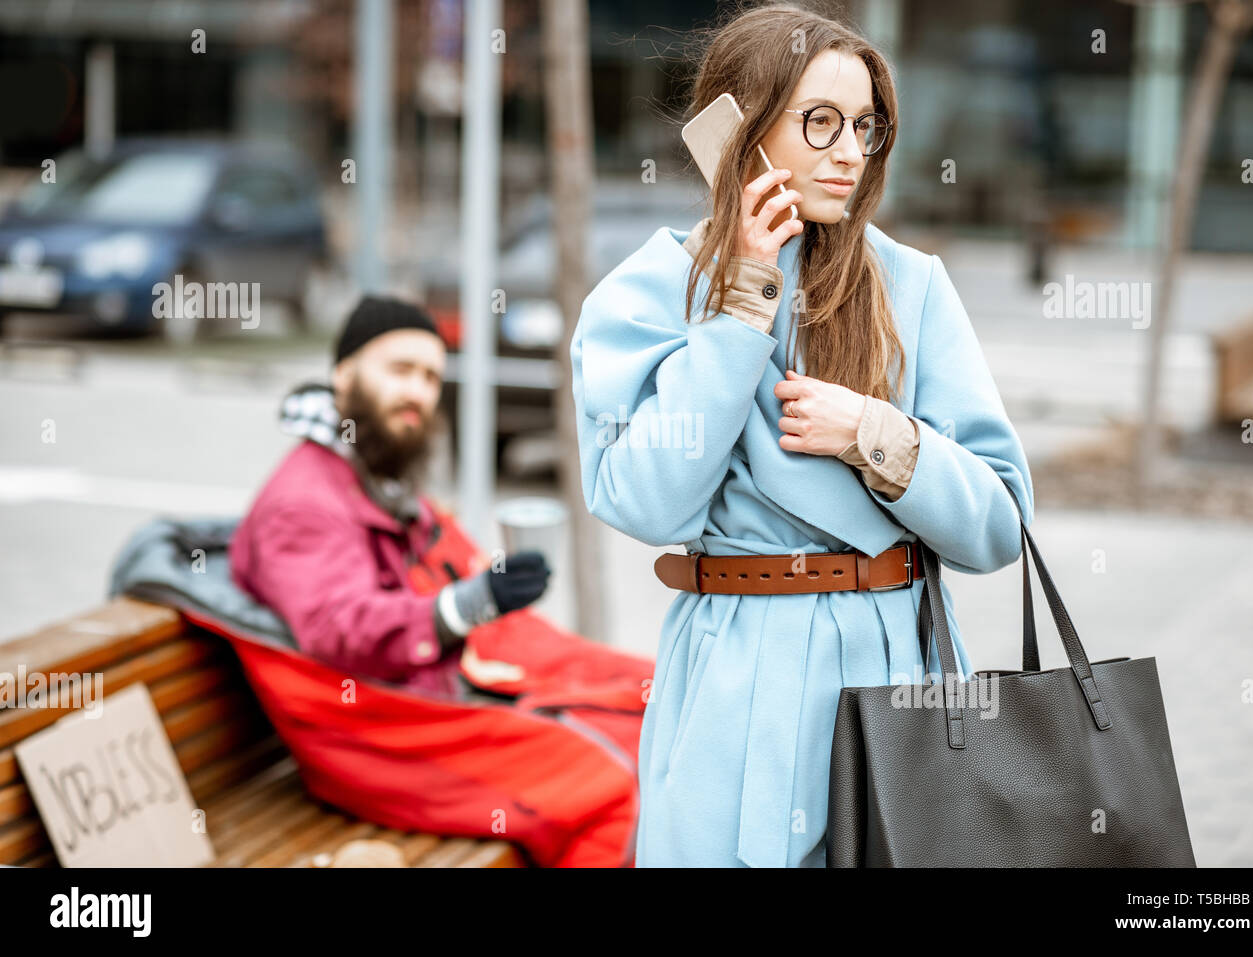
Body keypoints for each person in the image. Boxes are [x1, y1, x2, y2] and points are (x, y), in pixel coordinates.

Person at [570, 5, 1034, 867]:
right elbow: (644, 499)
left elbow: (1001, 523)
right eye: (819, 122)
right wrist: (742, 302)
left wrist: (876, 433)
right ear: (740, 130)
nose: (851, 151)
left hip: (898, 670)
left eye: (865, 125)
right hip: (738, 670)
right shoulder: (648, 292)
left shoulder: (911, 285)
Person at [229, 294, 551, 700]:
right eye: (401, 371)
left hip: (428, 699)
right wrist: (471, 602)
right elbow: (338, 628)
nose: (417, 392)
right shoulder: (304, 502)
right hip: (379, 729)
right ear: (344, 374)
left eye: (431, 378)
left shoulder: (374, 476)